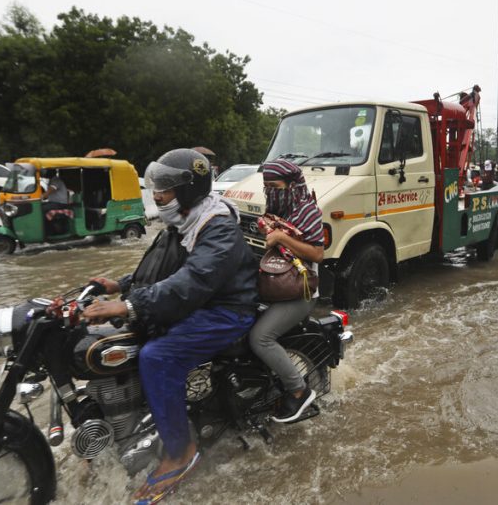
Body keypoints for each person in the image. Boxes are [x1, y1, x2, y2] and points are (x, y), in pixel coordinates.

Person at [81, 148, 258, 504]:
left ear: (188, 189)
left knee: (157, 357)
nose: (157, 194)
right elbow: (163, 269)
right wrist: (121, 285)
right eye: (156, 186)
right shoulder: (184, 220)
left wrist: (129, 305)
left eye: (164, 187)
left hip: (226, 310)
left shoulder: (216, 225)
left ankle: (180, 451)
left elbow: (193, 280)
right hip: (202, 301)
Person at [250, 159, 325, 423]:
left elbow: (318, 253)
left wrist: (282, 238)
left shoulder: (308, 211)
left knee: (260, 338)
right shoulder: (277, 209)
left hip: (299, 293)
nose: (270, 191)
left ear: (292, 185)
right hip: (273, 286)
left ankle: (298, 390)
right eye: (266, 186)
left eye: (274, 186)